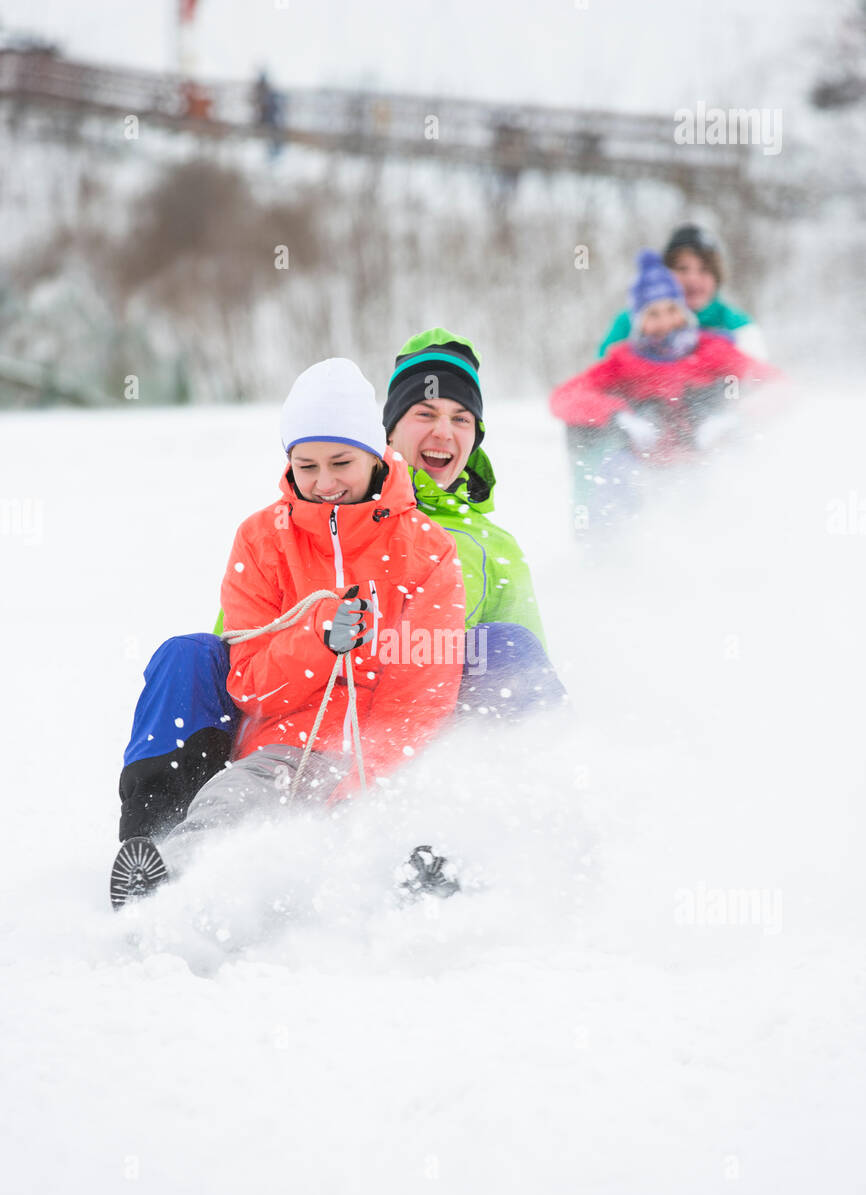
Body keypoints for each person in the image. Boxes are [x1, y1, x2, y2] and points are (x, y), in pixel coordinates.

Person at [116, 330, 565, 865]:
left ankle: (543, 820)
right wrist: (313, 642)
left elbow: (444, 679)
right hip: (292, 722)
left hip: (413, 714)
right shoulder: (276, 531)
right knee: (186, 656)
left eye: (460, 418)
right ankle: (157, 851)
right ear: (388, 433)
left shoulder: (461, 546)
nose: (443, 431)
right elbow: (241, 654)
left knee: (508, 649)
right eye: (425, 413)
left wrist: (374, 761)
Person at [110, 359, 466, 909]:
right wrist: (318, 641)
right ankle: (168, 890)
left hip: (388, 753)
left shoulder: (427, 548)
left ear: (376, 455)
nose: (324, 483)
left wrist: (366, 779)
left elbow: (423, 687)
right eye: (307, 466)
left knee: (410, 812)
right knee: (231, 802)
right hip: (287, 749)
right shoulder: (262, 540)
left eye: (341, 462)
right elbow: (248, 683)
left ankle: (425, 888)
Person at [551, 250, 781, 527]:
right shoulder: (624, 360)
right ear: (638, 321)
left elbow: (778, 385)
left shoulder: (712, 350)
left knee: (732, 471)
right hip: (645, 465)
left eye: (672, 309)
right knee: (616, 473)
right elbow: (565, 396)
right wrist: (618, 417)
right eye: (653, 314)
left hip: (705, 457)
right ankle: (609, 557)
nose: (665, 322)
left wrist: (734, 418)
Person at [598, 225, 767, 360]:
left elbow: (758, 381)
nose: (693, 279)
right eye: (682, 269)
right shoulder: (631, 323)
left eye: (704, 270)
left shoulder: (736, 326)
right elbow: (602, 373)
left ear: (716, 277)